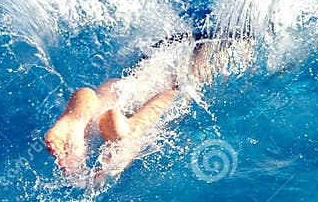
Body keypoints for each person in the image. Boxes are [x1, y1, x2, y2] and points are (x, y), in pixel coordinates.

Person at [44, 35, 253, 187]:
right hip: (202, 57)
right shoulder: (240, 44)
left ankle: (86, 104)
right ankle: (133, 128)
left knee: (123, 86)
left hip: (167, 48)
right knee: (177, 94)